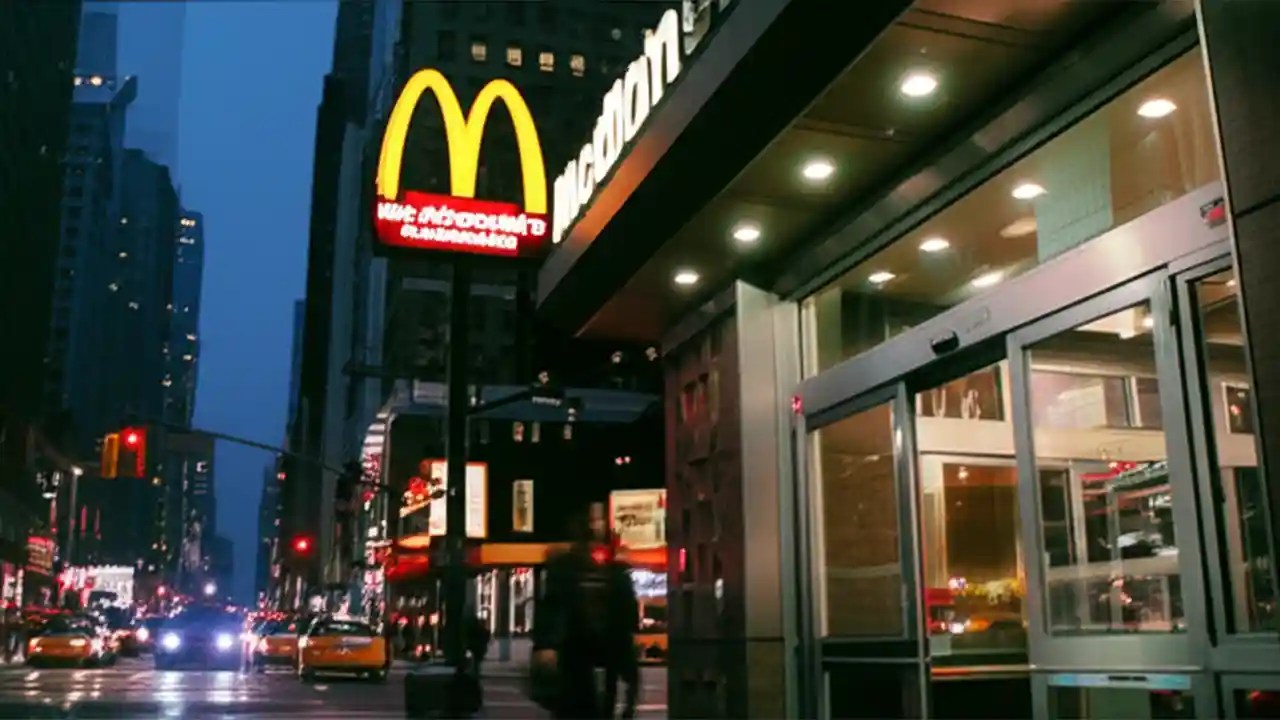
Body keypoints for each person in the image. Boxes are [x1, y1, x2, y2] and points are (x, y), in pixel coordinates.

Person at [532, 506, 640, 719]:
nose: (594, 527)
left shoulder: (611, 571)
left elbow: (626, 612)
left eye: (598, 520)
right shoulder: (570, 568)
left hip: (590, 652)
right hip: (580, 652)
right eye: (591, 521)